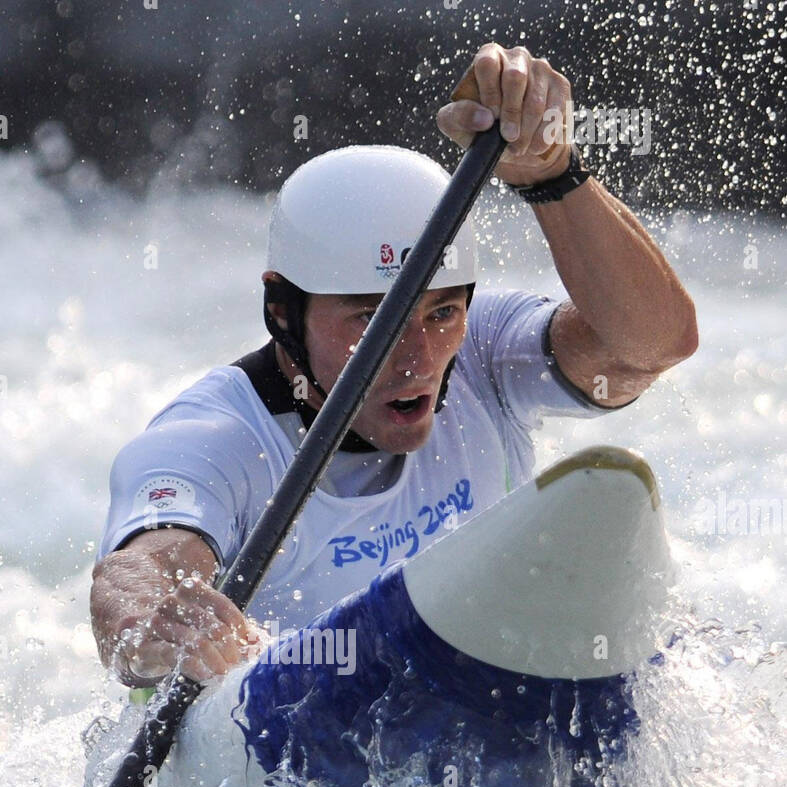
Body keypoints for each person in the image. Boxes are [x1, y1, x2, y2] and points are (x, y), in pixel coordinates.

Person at [91, 44, 697, 686]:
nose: (418, 357)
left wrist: (553, 175)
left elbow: (649, 347)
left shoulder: (484, 352)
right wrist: (156, 620)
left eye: (440, 313)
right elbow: (137, 572)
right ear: (281, 311)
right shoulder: (214, 440)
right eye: (368, 319)